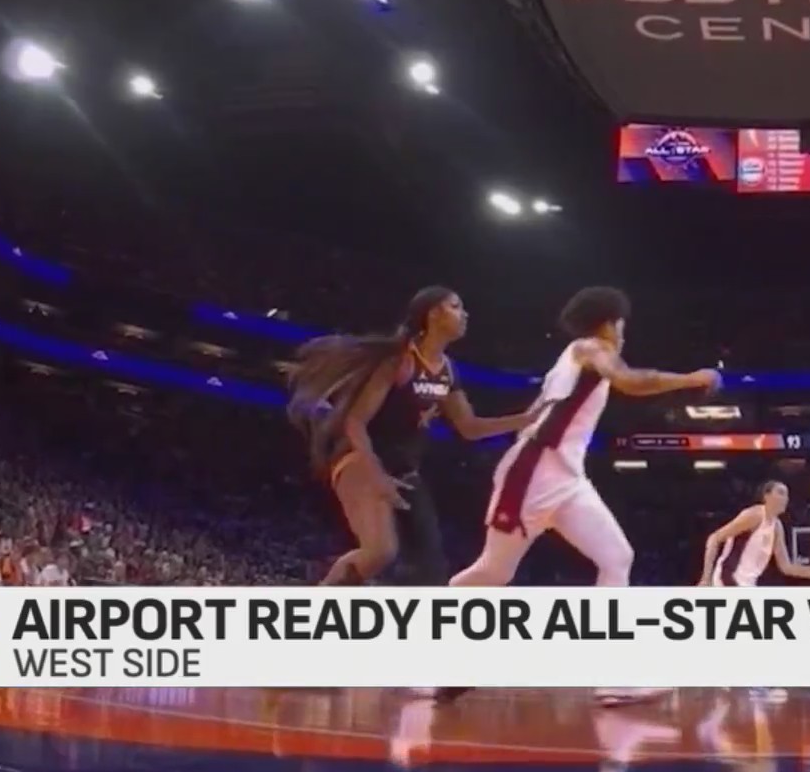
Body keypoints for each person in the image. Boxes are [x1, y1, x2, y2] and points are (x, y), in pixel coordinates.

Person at [439, 286, 721, 707]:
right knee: (492, 573)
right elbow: (629, 381)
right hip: (534, 473)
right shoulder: (589, 348)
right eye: (622, 325)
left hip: (569, 478)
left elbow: (547, 410)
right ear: (609, 323)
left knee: (617, 558)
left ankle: (611, 678)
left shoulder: (568, 363)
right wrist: (691, 378)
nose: (624, 334)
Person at [287, 287, 538, 588]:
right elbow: (354, 422)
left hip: (405, 470)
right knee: (380, 551)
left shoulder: (447, 370)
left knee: (432, 560)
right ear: (433, 314)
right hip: (360, 460)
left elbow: (469, 428)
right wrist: (376, 475)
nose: (465, 314)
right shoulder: (400, 361)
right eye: (456, 306)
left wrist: (527, 419)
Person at [701, 482, 810, 587]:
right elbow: (714, 538)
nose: (786, 498)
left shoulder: (777, 526)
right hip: (727, 581)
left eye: (787, 495)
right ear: (766, 496)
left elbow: (786, 567)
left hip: (748, 584)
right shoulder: (754, 515)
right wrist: (705, 578)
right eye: (781, 493)